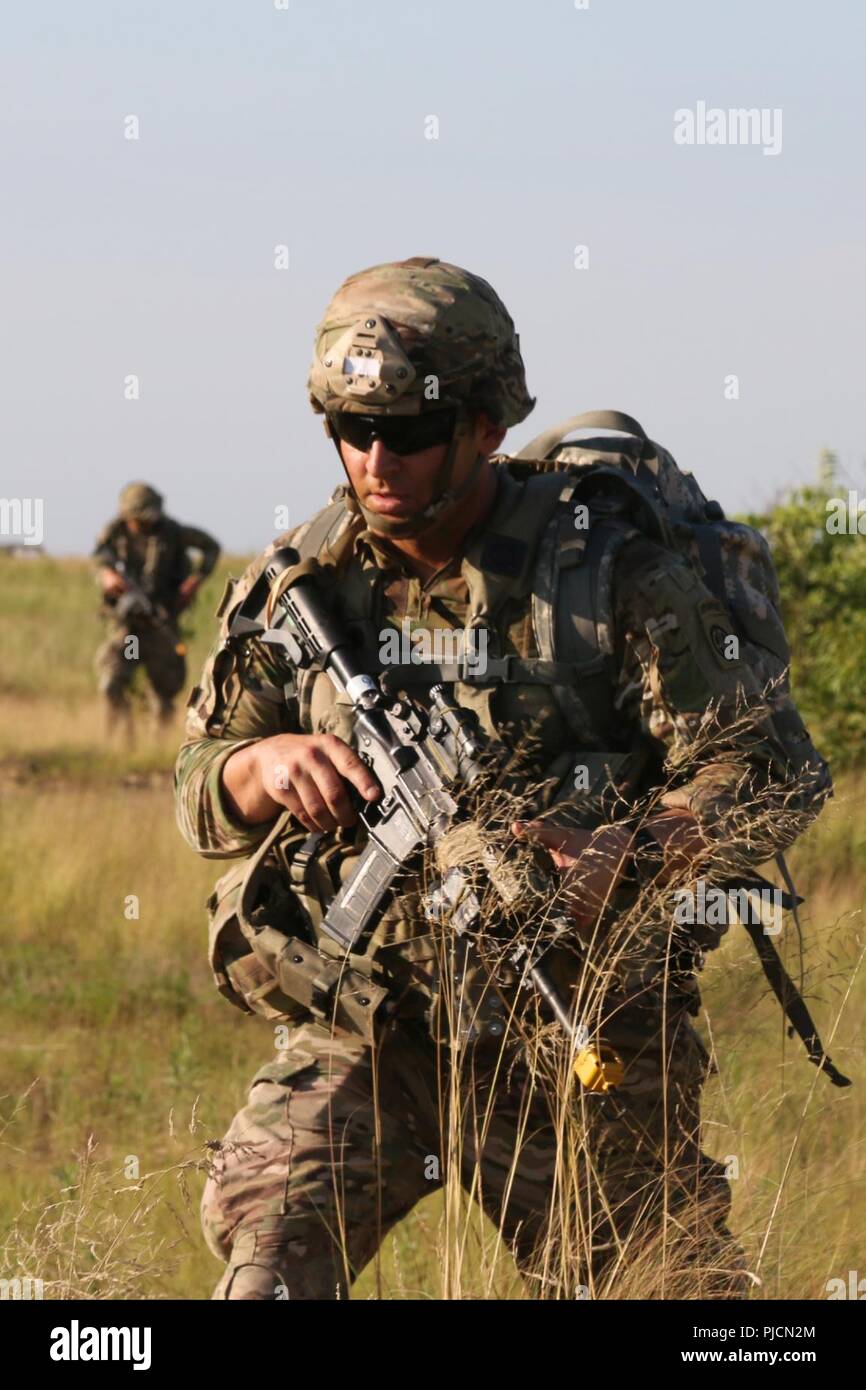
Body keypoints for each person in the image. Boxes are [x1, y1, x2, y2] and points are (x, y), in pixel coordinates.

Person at [174, 257, 831, 1299]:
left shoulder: (605, 573)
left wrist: (637, 849)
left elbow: (766, 769)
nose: (374, 460)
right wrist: (257, 765)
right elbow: (198, 782)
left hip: (570, 1031)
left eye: (407, 431)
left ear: (484, 426)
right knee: (265, 1268)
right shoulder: (299, 585)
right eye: (350, 430)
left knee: (669, 1294)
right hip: (369, 1026)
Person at [93, 483, 220, 732]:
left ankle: (160, 751)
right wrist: (106, 576)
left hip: (161, 624)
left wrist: (196, 580)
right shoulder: (114, 532)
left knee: (162, 694)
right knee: (114, 682)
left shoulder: (173, 532)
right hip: (130, 631)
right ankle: (120, 738)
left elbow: (210, 547)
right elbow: (99, 559)